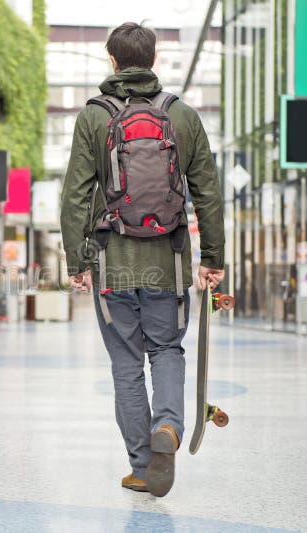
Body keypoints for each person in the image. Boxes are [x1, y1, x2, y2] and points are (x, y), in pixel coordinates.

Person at [60, 22, 225, 497]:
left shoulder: (94, 117)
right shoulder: (183, 116)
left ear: (112, 61)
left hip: (112, 261)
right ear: (152, 60)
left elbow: (75, 194)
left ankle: (142, 466)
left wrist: (77, 261)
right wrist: (212, 256)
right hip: (169, 261)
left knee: (126, 364)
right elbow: (207, 193)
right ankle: (169, 428)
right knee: (167, 350)